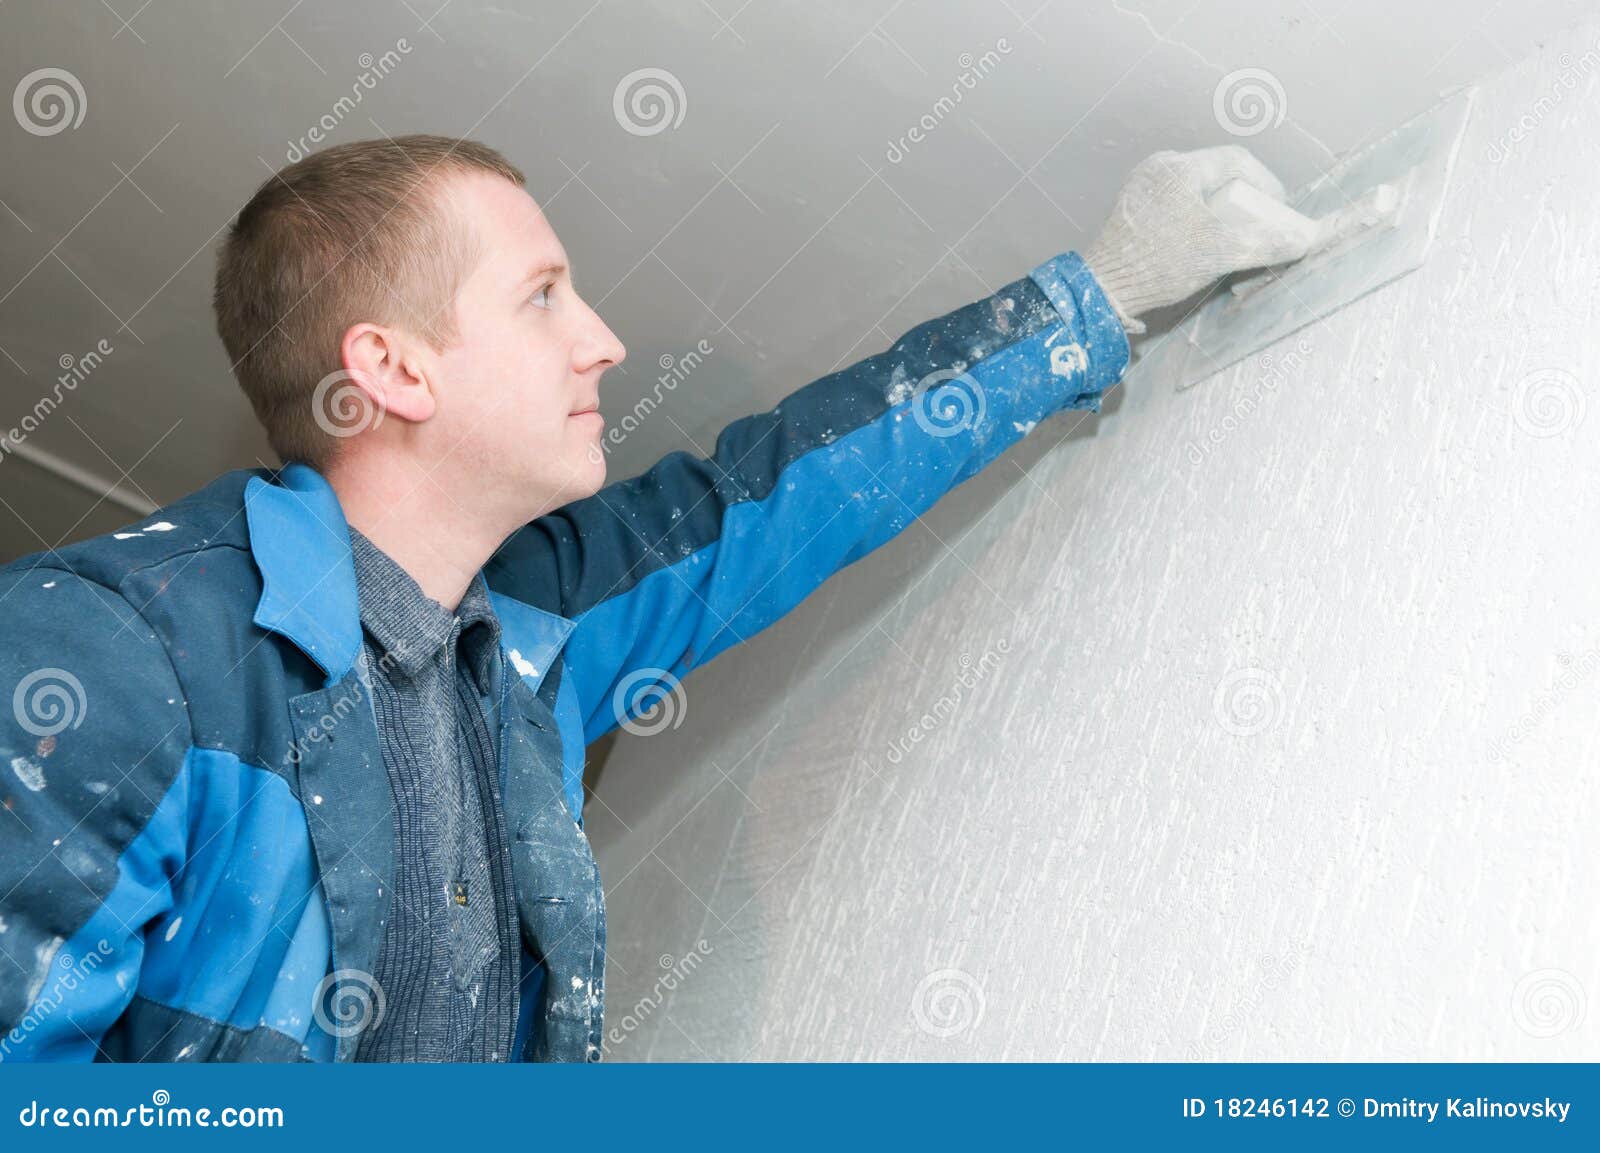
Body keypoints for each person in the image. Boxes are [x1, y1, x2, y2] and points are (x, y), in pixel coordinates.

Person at [0, 135, 1320, 1062]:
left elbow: (778, 492)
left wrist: (1100, 293)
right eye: (541, 296)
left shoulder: (541, 627)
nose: (604, 338)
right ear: (392, 369)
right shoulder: (116, 651)